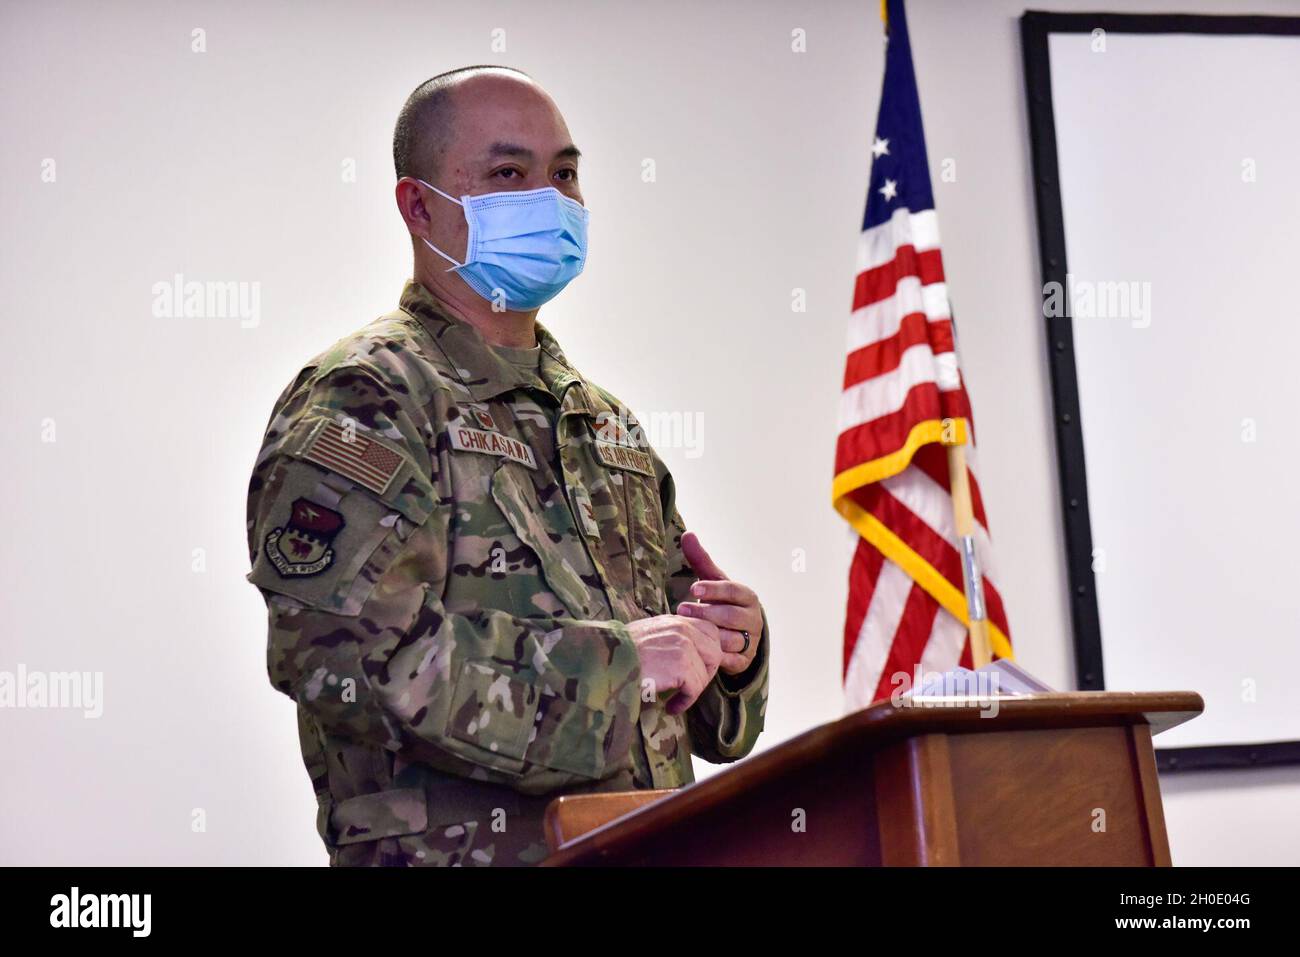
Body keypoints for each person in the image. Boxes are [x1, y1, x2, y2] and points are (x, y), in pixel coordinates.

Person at [245, 65, 770, 866]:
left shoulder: (602, 422)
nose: (552, 199)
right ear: (420, 207)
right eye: (509, 174)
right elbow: (345, 661)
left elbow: (696, 709)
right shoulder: (368, 396)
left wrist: (732, 649)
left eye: (565, 172)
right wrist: (619, 670)